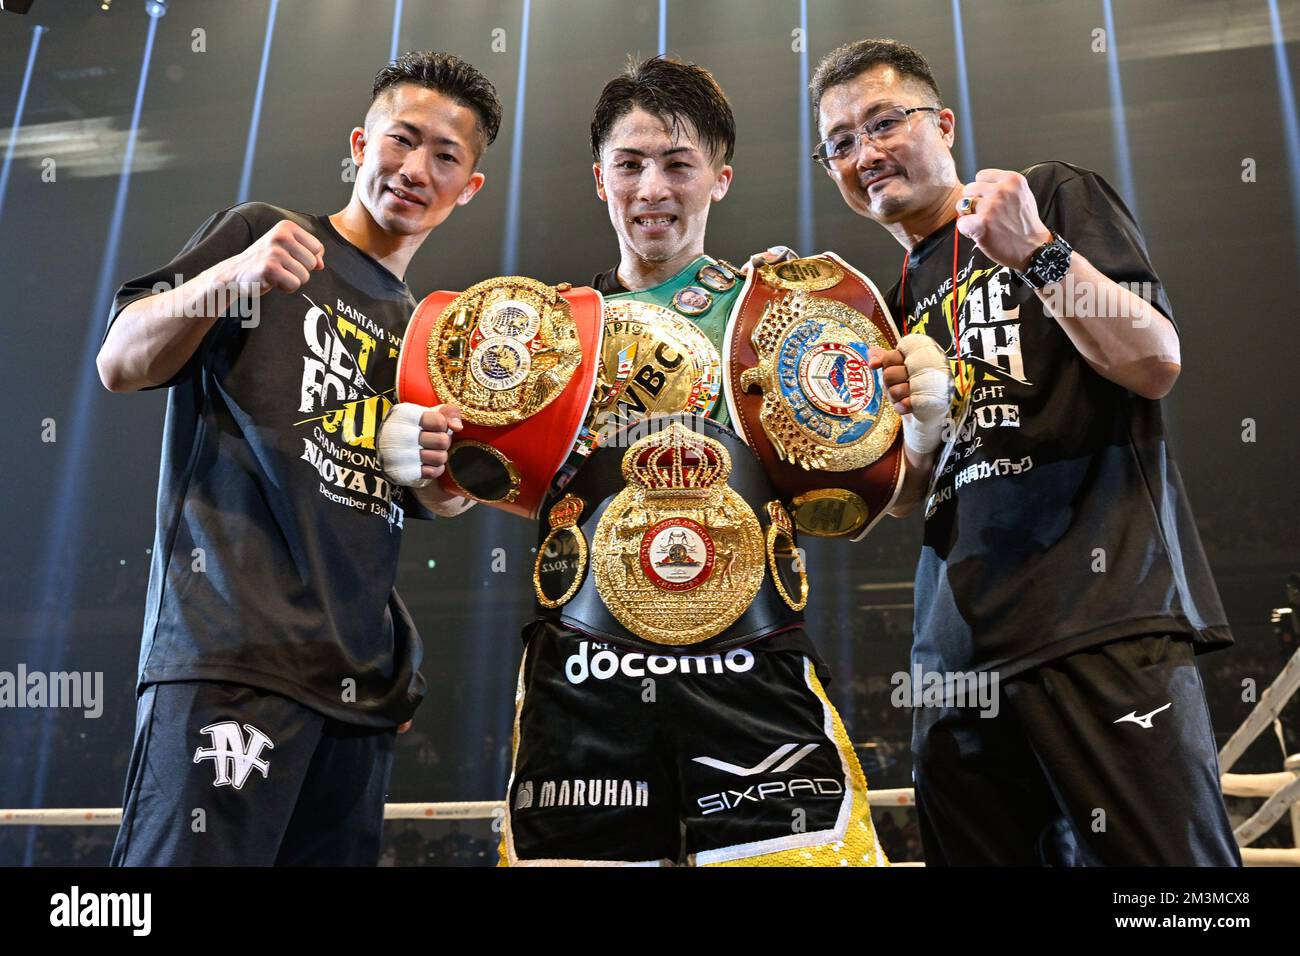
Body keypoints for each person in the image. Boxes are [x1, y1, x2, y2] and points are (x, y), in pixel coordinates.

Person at [809, 38, 1240, 865]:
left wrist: (1038, 254)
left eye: (883, 122)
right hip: (953, 659)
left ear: (942, 123)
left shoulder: (1049, 194)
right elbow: (910, 497)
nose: (864, 153)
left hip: (1095, 615)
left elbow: (1154, 360)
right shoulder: (888, 306)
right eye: (839, 144)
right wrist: (917, 432)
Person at [493, 55, 912, 866]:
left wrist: (913, 417)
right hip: (587, 667)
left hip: (749, 661)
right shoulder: (538, 341)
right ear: (599, 179)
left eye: (677, 164)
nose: (652, 188)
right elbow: (461, 493)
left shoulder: (786, 319)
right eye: (630, 164)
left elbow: (866, 500)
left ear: (719, 178)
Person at [95, 51, 496, 865]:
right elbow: (118, 362)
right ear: (359, 143)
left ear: (469, 188)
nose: (416, 168)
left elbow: (438, 501)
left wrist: (446, 471)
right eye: (401, 139)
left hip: (357, 694)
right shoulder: (263, 235)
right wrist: (232, 279)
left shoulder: (428, 332)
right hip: (233, 659)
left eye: (445, 156)